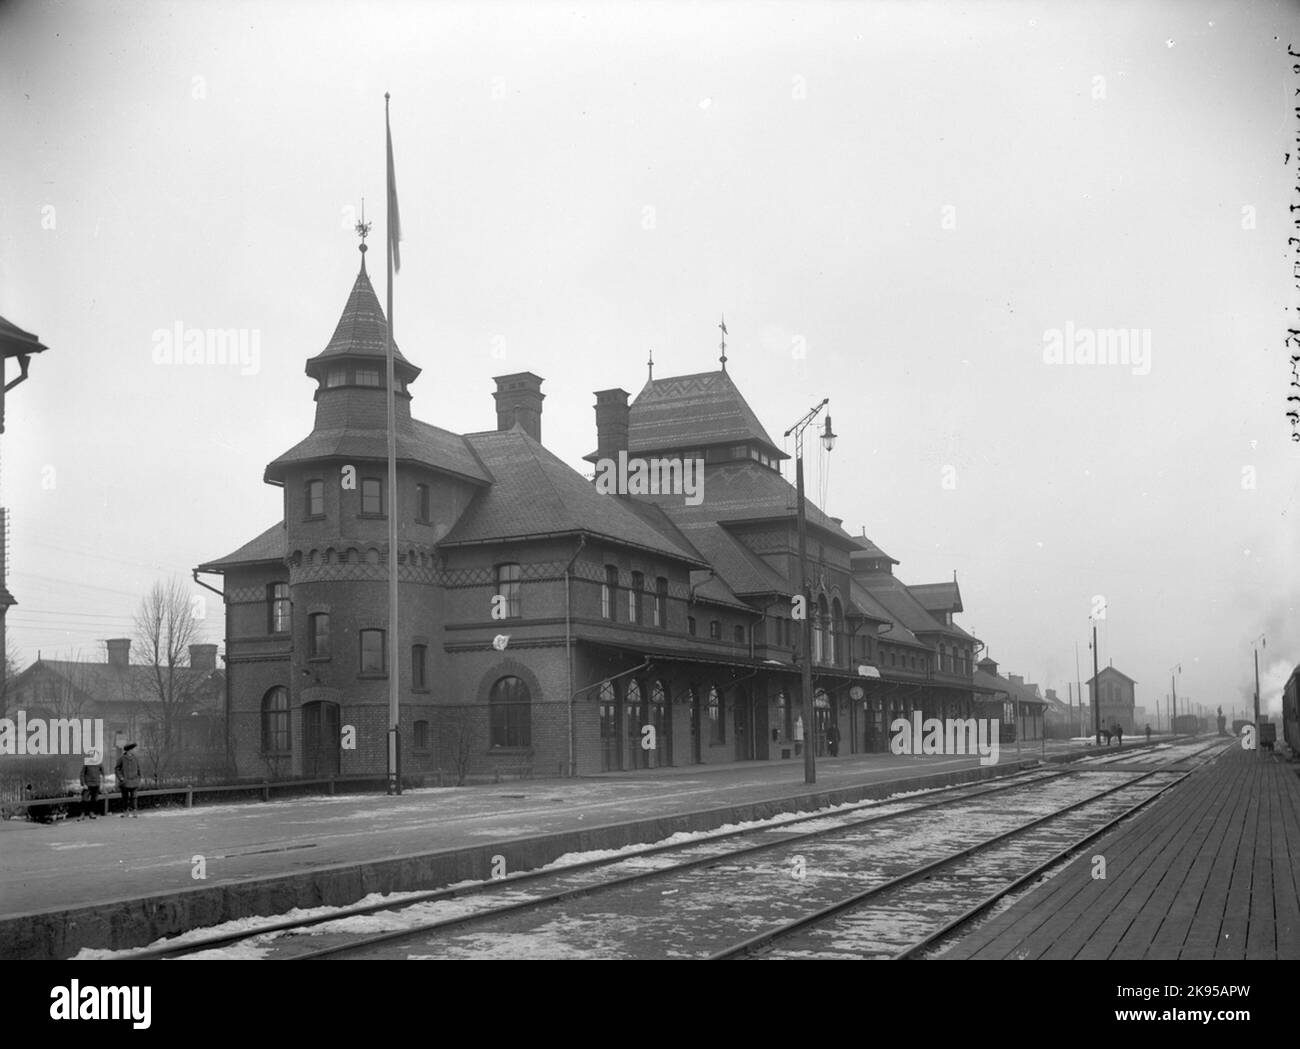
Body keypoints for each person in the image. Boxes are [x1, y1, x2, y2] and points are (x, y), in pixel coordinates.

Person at [115, 742, 141, 818]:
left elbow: (139, 769)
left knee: (134, 797)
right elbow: (117, 769)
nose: (134, 750)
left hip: (134, 781)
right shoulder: (122, 758)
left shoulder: (136, 758)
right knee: (125, 798)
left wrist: (138, 779)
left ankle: (134, 812)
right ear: (128, 750)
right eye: (132, 749)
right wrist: (121, 778)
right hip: (125, 782)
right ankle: (125, 812)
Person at [79, 750, 104, 820]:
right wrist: (83, 784)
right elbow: (82, 774)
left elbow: (103, 774)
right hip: (88, 785)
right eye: (93, 755)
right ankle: (82, 814)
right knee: (84, 799)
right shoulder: (87, 763)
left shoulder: (99, 764)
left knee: (94, 800)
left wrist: (101, 784)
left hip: (96, 784)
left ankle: (91, 813)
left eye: (95, 755)